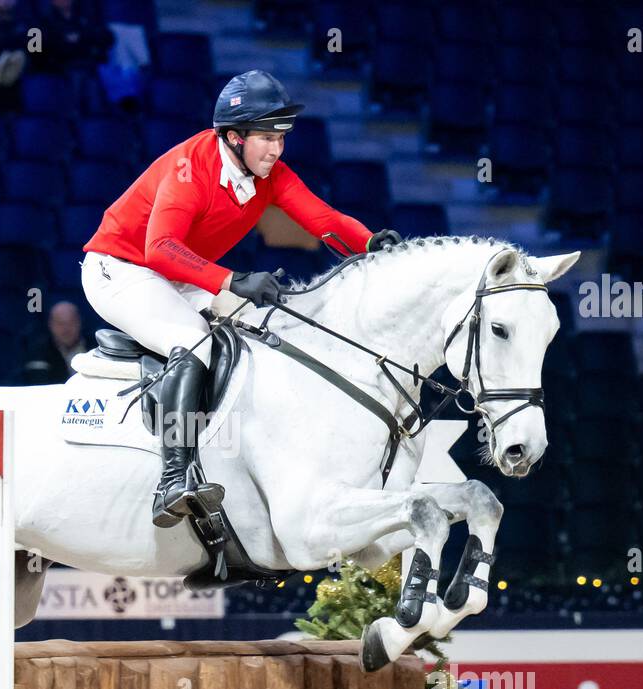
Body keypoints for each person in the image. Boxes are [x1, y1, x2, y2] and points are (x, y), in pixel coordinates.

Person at [81, 70, 402, 527]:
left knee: (268, 328)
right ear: (233, 138)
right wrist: (232, 281)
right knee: (196, 341)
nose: (276, 149)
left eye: (281, 138)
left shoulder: (267, 173)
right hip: (121, 269)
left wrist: (371, 245)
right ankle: (173, 479)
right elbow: (160, 249)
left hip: (176, 274)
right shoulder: (189, 170)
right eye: (267, 138)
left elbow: (321, 218)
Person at [35, 0, 113, 74]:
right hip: (58, 69)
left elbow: (108, 37)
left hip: (89, 65)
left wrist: (81, 37)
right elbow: (37, 49)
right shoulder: (44, 22)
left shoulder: (85, 16)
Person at [23, 301, 87, 384]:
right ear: (51, 324)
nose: (66, 328)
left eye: (71, 322)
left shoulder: (96, 348)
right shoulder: (39, 352)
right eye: (60, 323)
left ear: (79, 322)